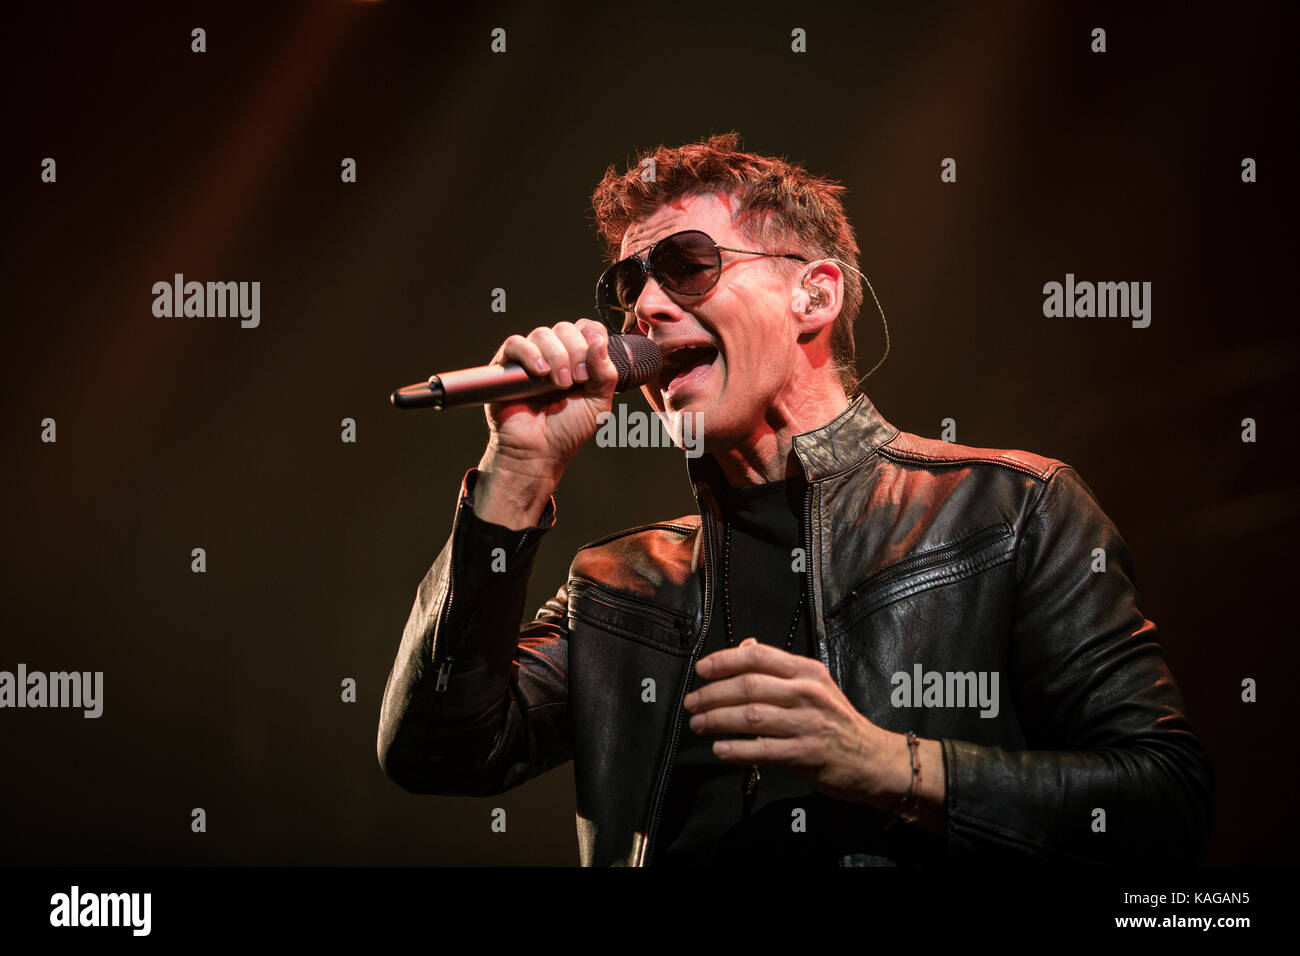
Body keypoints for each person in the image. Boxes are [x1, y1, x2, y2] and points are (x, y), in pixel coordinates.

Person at [376, 133, 1213, 866]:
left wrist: (890, 765)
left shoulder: (1009, 510)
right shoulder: (619, 584)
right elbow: (439, 752)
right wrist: (517, 468)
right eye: (627, 288)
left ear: (814, 294)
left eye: (686, 266)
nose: (647, 307)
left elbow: (1164, 802)